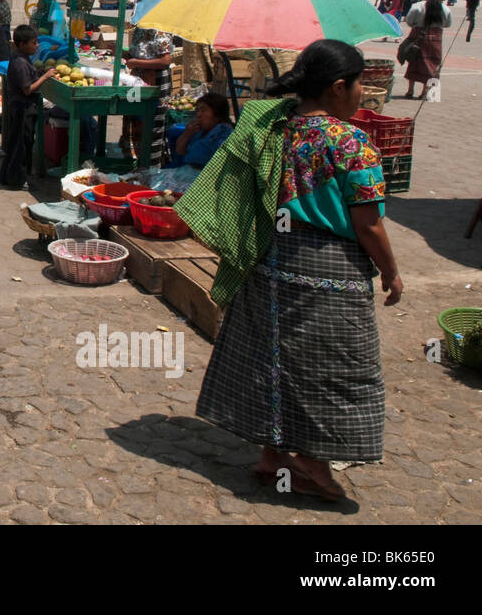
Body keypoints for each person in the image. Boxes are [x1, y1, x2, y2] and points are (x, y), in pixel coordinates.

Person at [184, 39, 401, 503]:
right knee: (329, 369)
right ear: (339, 87)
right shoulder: (351, 142)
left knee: (272, 358)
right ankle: (312, 463)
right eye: (361, 83)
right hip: (330, 273)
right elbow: (369, 224)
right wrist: (392, 272)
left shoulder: (272, 129)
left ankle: (272, 456)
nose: (364, 92)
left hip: (271, 259)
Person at [0, 25, 57, 188]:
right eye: (34, 42)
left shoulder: (22, 59)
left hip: (20, 107)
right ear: (22, 44)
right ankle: (17, 180)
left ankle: (6, 176)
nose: (37, 45)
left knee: (16, 143)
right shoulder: (20, 63)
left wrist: (37, 72)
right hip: (21, 109)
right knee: (21, 146)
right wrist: (45, 76)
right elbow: (28, 90)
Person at [123, 26, 173, 162]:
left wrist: (137, 62)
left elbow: (165, 61)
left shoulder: (159, 31)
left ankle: (150, 165)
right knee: (134, 119)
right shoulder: (139, 29)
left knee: (152, 124)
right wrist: (123, 54)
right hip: (138, 80)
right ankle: (133, 162)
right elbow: (139, 54)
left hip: (156, 82)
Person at [401, 0, 452, 99]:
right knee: (432, 64)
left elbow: (409, 21)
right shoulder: (445, 8)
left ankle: (410, 90)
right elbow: (447, 24)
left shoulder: (417, 6)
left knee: (414, 62)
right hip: (436, 39)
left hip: (418, 37)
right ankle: (424, 92)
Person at [170, 92, 234, 168]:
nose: (198, 115)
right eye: (197, 110)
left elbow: (194, 158)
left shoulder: (222, 133)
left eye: (203, 110)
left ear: (218, 113)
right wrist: (186, 135)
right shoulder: (202, 131)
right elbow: (180, 153)